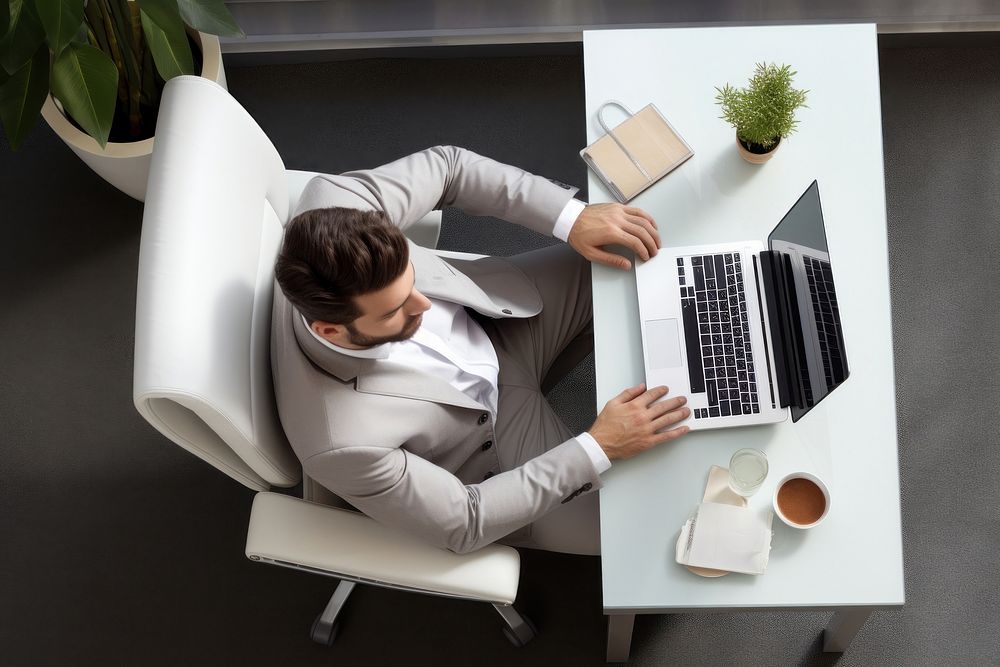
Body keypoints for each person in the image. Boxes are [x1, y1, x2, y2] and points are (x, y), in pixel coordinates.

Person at [271, 146, 690, 555]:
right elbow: (465, 522)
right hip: (492, 444)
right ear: (331, 330)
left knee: (631, 245)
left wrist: (572, 219)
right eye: (396, 310)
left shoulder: (338, 205)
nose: (426, 304)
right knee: (641, 530)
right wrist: (600, 446)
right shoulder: (341, 444)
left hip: (499, 318)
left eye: (412, 279)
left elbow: (450, 166)